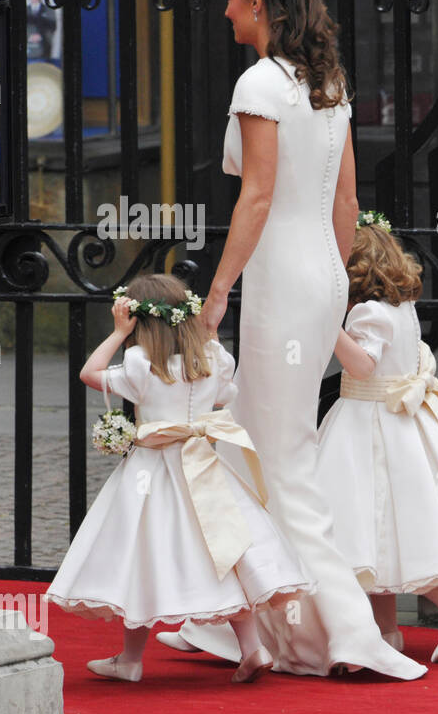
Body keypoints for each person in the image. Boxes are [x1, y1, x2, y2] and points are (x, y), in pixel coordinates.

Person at [155, 0, 423, 679]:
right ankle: (242, 622)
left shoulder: (262, 86)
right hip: (319, 276)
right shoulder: (327, 82)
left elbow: (259, 194)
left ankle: (343, 630)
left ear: (263, 2)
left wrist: (216, 295)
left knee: (280, 459)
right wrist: (332, 283)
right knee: (257, 450)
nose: (227, 11)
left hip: (281, 279)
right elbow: (348, 200)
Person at [48, 275, 312, 683]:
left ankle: (131, 660)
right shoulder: (211, 359)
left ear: (139, 320)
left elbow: (90, 372)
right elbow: (226, 396)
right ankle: (252, 649)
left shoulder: (140, 365)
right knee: (227, 555)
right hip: (205, 467)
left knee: (142, 558)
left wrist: (119, 333)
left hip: (150, 472)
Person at [317, 212, 438, 663]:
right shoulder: (402, 306)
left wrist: (328, 326)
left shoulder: (369, 312)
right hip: (399, 421)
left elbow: (363, 366)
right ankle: (386, 632)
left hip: (371, 420)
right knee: (379, 531)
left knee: (368, 522)